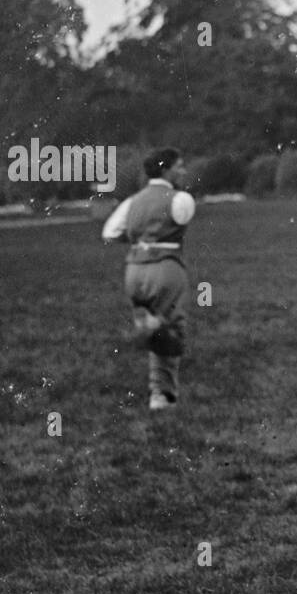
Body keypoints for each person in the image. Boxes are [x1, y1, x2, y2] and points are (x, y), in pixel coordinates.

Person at [102, 148, 196, 411]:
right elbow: (182, 217)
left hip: (134, 269)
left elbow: (110, 233)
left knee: (154, 326)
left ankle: (148, 329)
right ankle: (162, 395)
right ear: (166, 169)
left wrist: (139, 239)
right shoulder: (181, 199)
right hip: (166, 268)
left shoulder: (132, 201)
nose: (183, 171)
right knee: (171, 331)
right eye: (179, 166)